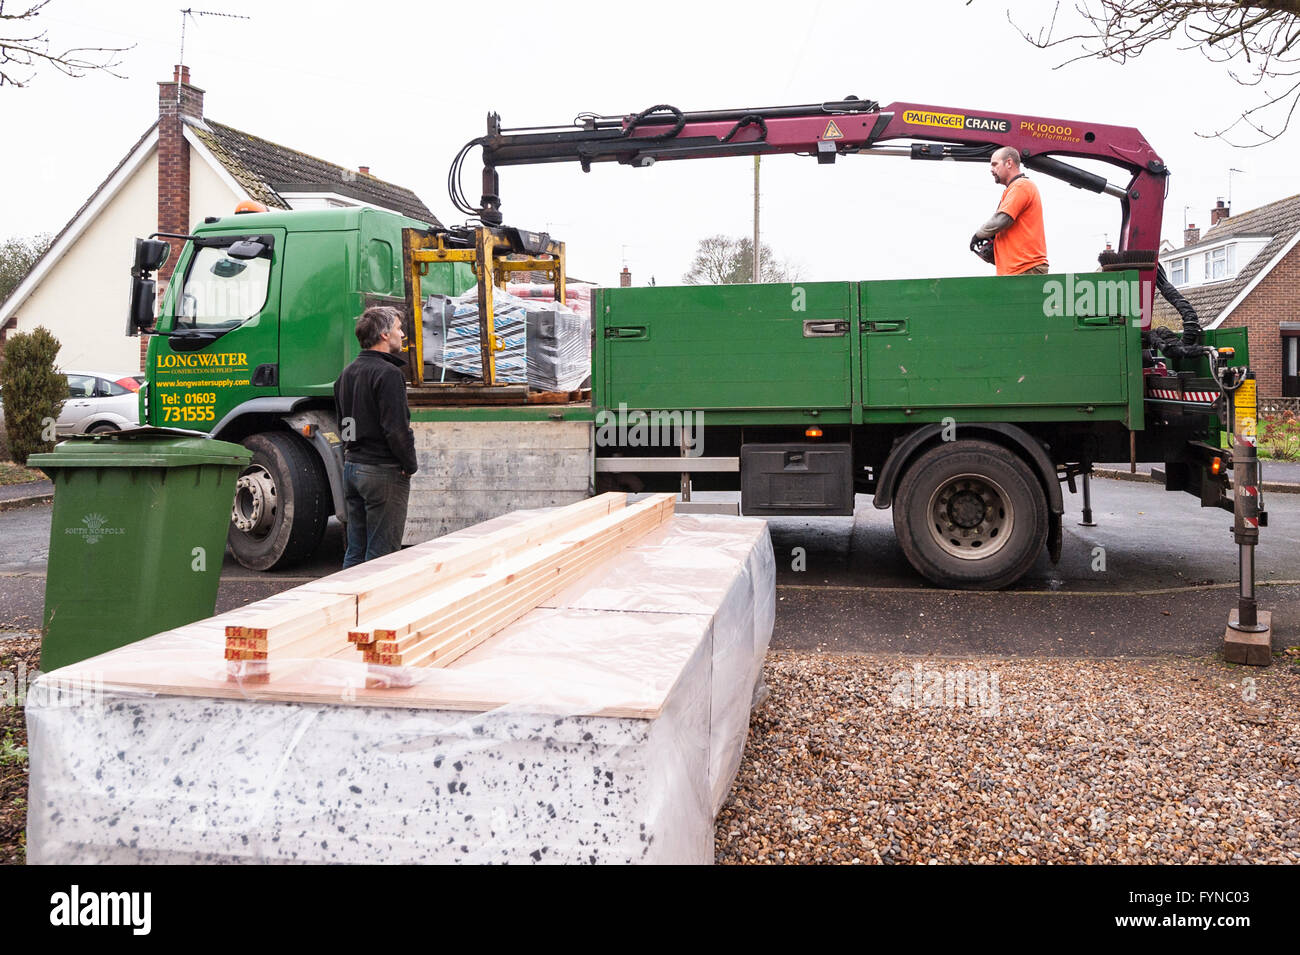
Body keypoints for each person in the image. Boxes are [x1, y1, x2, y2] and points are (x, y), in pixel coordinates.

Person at [334, 305, 417, 567]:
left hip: (353, 469)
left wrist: (352, 452)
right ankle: (375, 608)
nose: (402, 334)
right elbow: (395, 429)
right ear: (383, 334)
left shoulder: (346, 374)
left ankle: (348, 603)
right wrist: (409, 465)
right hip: (382, 472)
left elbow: (345, 423)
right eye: (398, 328)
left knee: (355, 552)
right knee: (381, 559)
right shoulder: (389, 374)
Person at [970, 146, 1049, 275]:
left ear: (1009, 163)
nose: (992, 170)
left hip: (1026, 268)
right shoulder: (1014, 188)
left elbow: (1002, 219)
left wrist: (979, 235)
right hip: (1017, 270)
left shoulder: (1021, 186)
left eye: (995, 164)